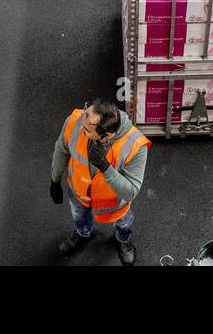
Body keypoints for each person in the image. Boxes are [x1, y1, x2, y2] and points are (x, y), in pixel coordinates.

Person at [50, 98, 151, 265]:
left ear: (106, 135)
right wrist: (54, 180)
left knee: (123, 224)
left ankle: (122, 240)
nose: (81, 126)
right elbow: (61, 149)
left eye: (87, 130)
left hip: (114, 203)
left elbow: (131, 190)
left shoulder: (135, 146)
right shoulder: (77, 120)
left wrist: (105, 167)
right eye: (86, 113)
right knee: (80, 218)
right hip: (78, 194)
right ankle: (84, 234)